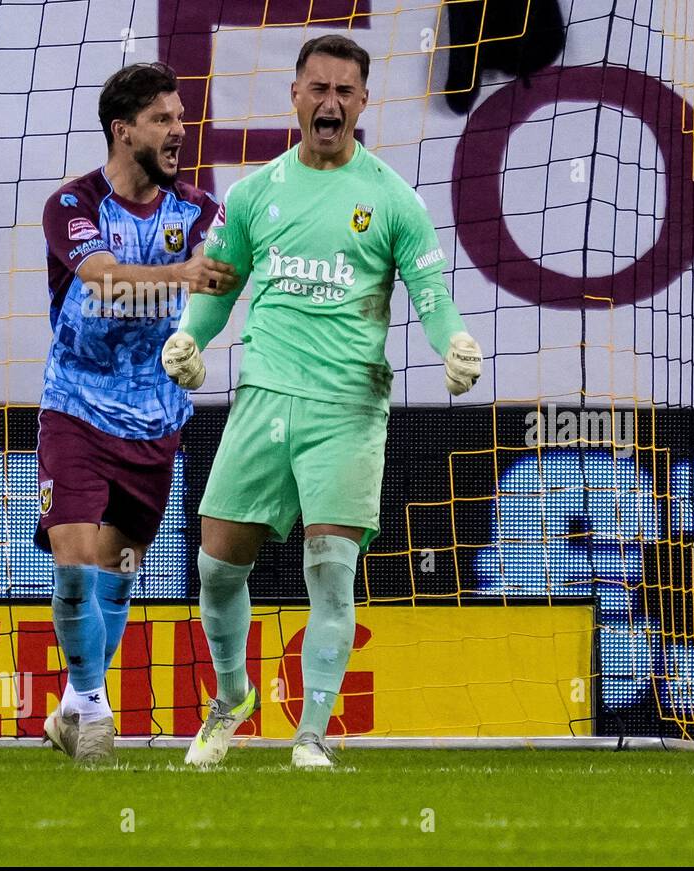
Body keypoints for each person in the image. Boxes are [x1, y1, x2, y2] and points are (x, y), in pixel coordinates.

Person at [163, 34, 482, 769]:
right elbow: (220, 283)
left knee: (331, 567)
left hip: (347, 405)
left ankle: (310, 733)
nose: (330, 102)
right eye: (318, 88)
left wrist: (454, 343)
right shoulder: (253, 195)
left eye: (345, 91)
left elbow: (431, 294)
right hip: (264, 398)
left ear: (363, 103)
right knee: (216, 566)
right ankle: (232, 698)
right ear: (296, 96)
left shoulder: (394, 199)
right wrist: (191, 339)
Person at [38, 62, 235, 762]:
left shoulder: (200, 212)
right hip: (77, 410)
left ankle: (70, 705)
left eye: (180, 117)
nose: (179, 130)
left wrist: (203, 319)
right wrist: (181, 277)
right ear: (123, 131)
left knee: (120, 571)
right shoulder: (73, 205)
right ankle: (92, 712)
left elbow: (221, 270)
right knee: (70, 567)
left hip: (156, 421)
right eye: (162, 119)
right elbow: (100, 276)